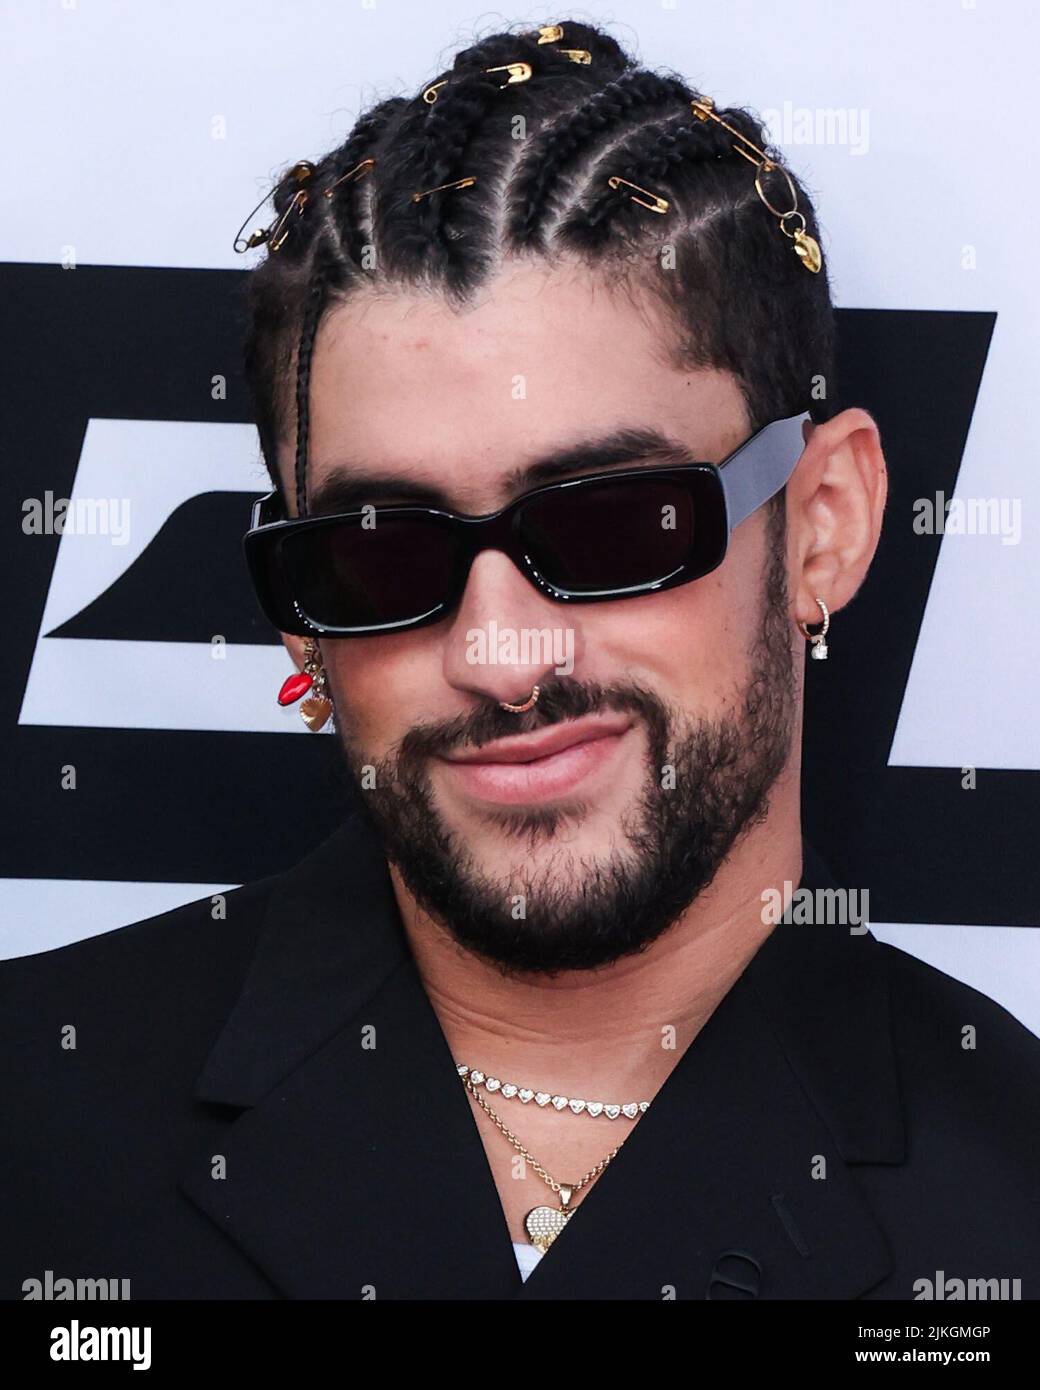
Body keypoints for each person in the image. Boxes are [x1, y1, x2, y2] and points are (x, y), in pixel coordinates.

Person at [4, 19, 1039, 1301]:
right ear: (298, 618)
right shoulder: (31, 1123)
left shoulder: (1009, 1205)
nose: (500, 657)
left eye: (610, 526)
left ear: (821, 525)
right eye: (382, 555)